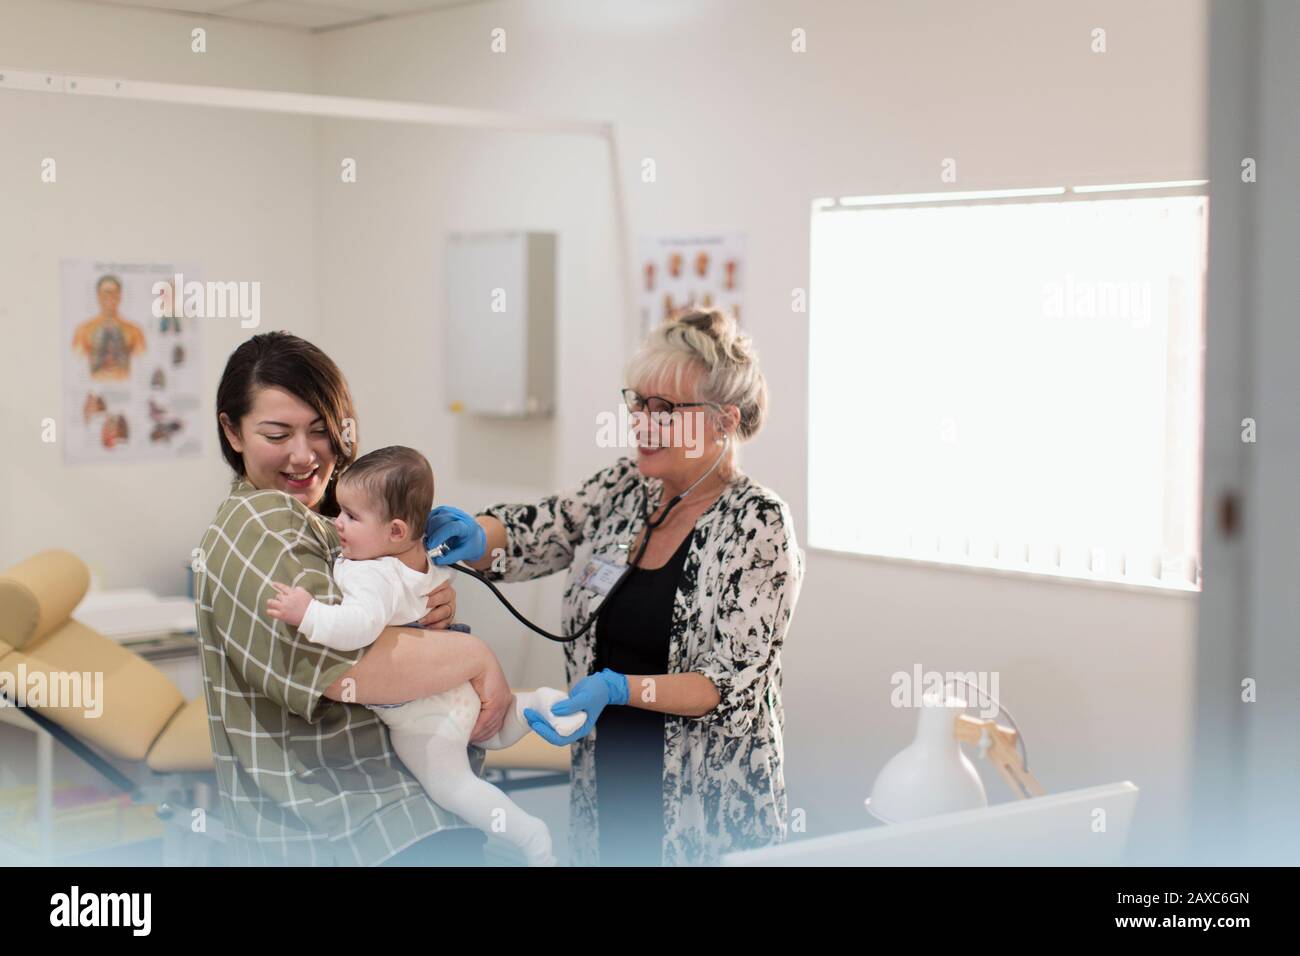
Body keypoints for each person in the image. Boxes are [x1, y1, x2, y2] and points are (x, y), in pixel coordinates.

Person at [428, 308, 805, 866]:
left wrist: (620, 690)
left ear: (724, 422)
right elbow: (546, 527)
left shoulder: (757, 522)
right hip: (609, 776)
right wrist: (475, 533)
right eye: (639, 403)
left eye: (666, 410)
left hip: (706, 800)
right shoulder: (628, 487)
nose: (642, 423)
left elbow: (727, 683)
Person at [194, 331, 512, 865]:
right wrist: (476, 658)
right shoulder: (262, 520)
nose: (303, 455)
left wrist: (418, 599)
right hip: (357, 825)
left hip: (394, 811)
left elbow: (378, 618)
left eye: (320, 431)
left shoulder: (325, 520)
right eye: (277, 434)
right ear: (233, 430)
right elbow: (353, 665)